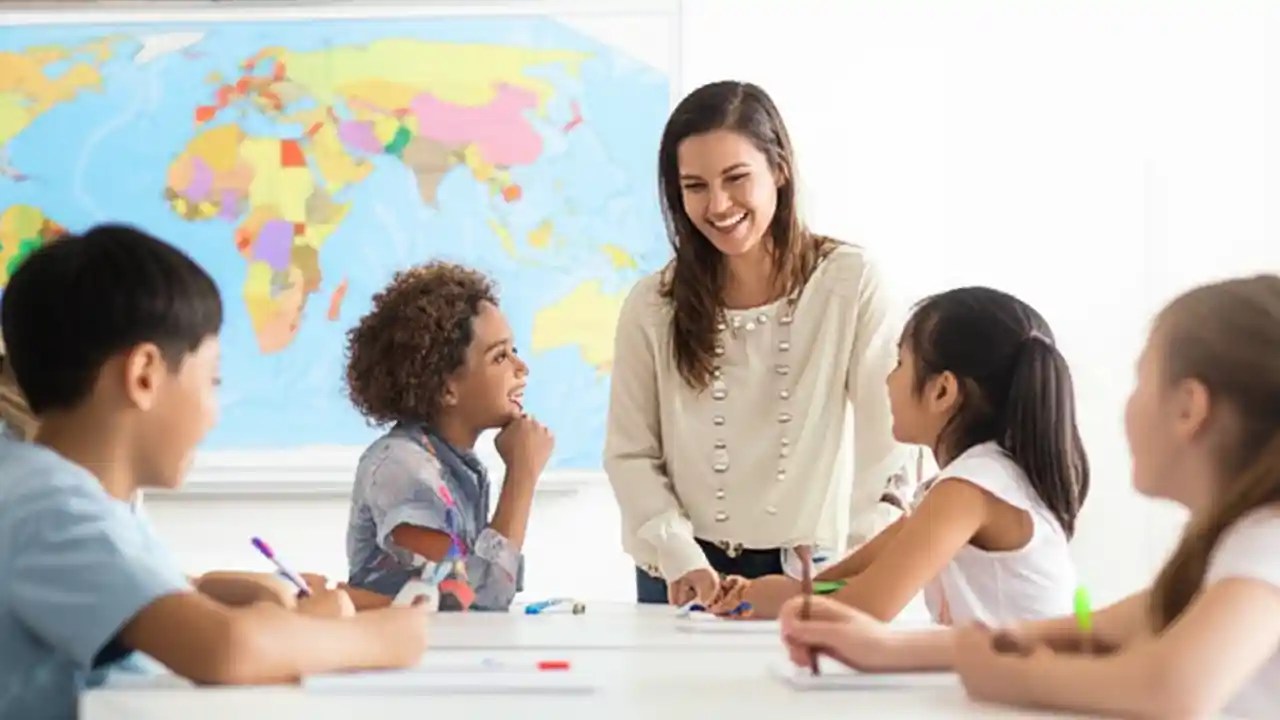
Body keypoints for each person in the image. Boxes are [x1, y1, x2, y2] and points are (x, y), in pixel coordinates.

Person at [782, 275, 1280, 720]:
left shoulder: (1267, 543)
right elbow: (1095, 631)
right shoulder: (1230, 550)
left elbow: (1172, 689)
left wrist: (1003, 675)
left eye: (1140, 380)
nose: (1125, 406)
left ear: (1189, 408)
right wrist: (884, 651)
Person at [0, 224, 428, 720]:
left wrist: (216, 590)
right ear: (143, 376)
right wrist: (379, 637)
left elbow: (122, 585)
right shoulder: (53, 507)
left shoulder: (44, 491)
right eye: (212, 380)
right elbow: (224, 649)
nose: (214, 413)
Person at [605, 79, 917, 606]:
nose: (718, 204)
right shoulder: (653, 303)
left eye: (736, 178)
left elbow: (889, 449)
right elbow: (631, 453)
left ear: (779, 169)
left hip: (806, 570)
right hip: (681, 575)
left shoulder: (850, 281)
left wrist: (850, 577)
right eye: (695, 186)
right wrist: (681, 557)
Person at [712, 287, 1088, 621]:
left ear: (942, 391)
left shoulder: (969, 490)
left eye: (899, 364)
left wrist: (783, 602)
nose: (888, 380)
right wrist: (778, 591)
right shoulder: (976, 482)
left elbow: (866, 608)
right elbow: (843, 580)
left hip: (1028, 693)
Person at [344, 262, 553, 611]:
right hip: (397, 657)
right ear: (446, 388)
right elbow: (478, 593)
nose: (522, 368)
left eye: (514, 351)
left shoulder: (458, 467)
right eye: (500, 356)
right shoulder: (399, 466)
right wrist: (522, 473)